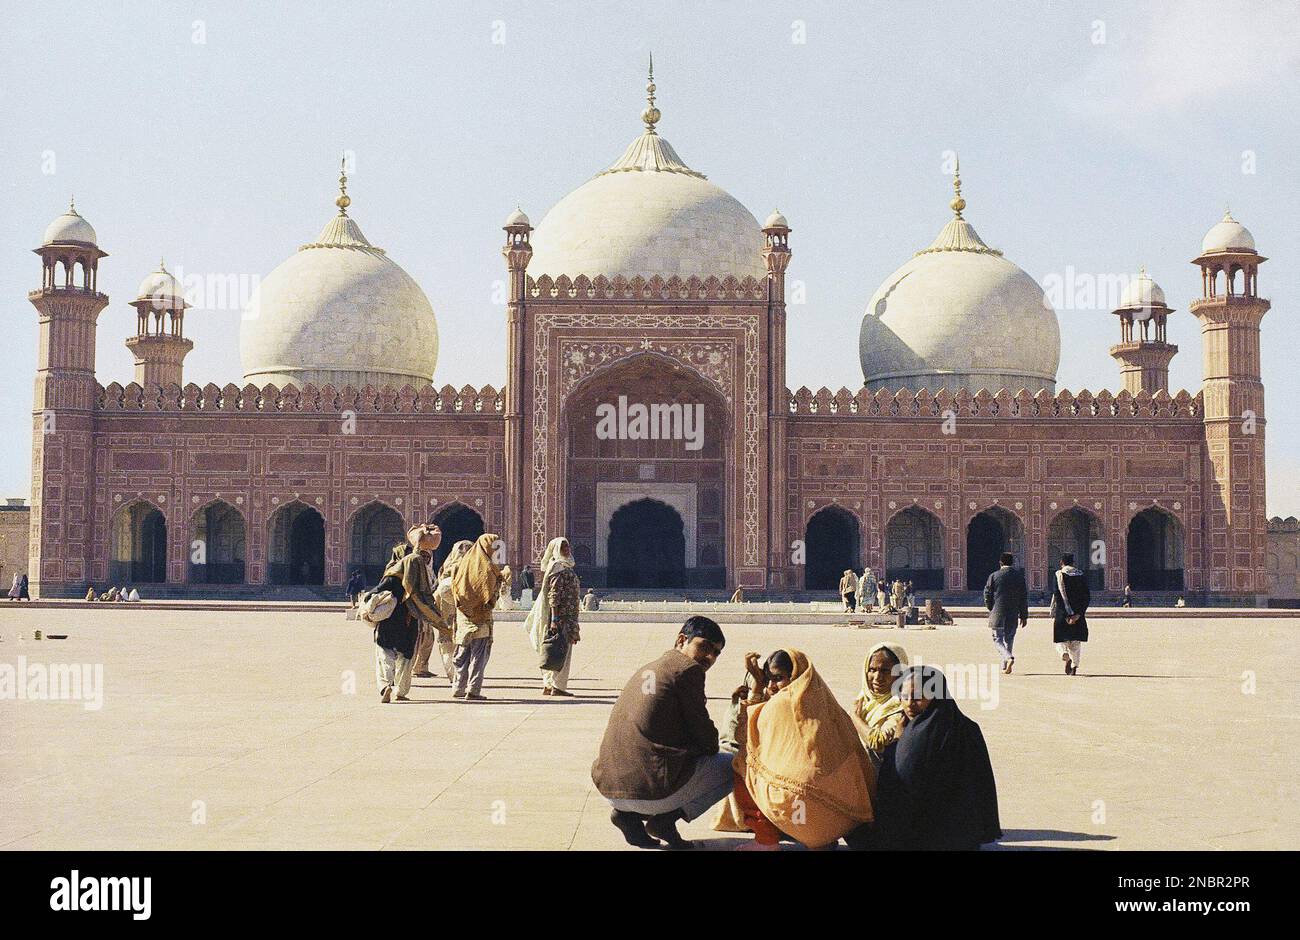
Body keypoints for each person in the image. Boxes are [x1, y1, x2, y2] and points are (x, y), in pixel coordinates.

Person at [592, 616, 731, 850]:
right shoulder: (688, 670)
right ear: (681, 640)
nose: (710, 657)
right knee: (734, 766)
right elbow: (707, 739)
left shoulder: (649, 668)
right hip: (649, 791)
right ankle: (665, 821)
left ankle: (627, 817)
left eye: (716, 653)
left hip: (609, 787)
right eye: (704, 646)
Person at [848, 665, 1001, 851]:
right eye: (904, 697)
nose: (909, 704)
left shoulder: (919, 735)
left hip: (923, 837)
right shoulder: (967, 726)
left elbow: (897, 788)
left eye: (918, 697)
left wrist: (896, 743)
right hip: (965, 834)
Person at [743, 648, 876, 849]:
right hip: (843, 814)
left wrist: (756, 689)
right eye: (768, 679)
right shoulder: (827, 704)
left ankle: (766, 840)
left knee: (740, 763)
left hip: (799, 809)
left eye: (778, 678)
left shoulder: (779, 704)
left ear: (796, 675)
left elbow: (746, 734)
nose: (772, 686)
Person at [372, 525, 441, 703]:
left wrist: (367, 601)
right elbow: (428, 598)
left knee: (384, 653)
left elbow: (378, 590)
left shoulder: (394, 573)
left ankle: (386, 685)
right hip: (410, 621)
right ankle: (401, 691)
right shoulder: (421, 577)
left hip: (388, 620)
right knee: (406, 656)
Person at [523, 537, 581, 697]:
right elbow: (554, 596)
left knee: (553, 649)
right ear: (555, 550)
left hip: (566, 616)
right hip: (562, 618)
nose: (566, 549)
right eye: (563, 547)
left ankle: (549, 685)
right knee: (561, 651)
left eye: (567, 546)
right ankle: (558, 686)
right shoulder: (558, 568)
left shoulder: (563, 566)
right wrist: (555, 619)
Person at [450, 533, 504, 700]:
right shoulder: (489, 568)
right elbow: (490, 598)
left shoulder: (462, 564)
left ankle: (458, 688)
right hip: (480, 618)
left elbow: (453, 587)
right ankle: (473, 690)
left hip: (463, 617)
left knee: (462, 654)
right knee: (478, 655)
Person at [420, 539, 472, 682]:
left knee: (446, 646)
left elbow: (437, 590)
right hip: (466, 616)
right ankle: (462, 678)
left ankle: (454, 678)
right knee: (465, 646)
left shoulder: (447, 568)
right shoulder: (473, 569)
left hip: (446, 615)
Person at [850, 642, 910, 764]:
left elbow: (879, 742)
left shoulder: (902, 705)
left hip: (880, 778)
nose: (877, 677)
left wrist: (855, 719)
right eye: (872, 670)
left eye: (885, 671)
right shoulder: (864, 698)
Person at [984, 552, 1028, 674]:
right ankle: (1005, 664)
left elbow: (987, 594)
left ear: (1000, 562)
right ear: (1013, 563)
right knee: (1009, 638)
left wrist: (990, 607)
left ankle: (1008, 658)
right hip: (1013, 612)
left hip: (998, 612)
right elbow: (1023, 597)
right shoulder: (1019, 577)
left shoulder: (994, 576)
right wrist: (1024, 615)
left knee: (997, 639)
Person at [1051, 553, 1090, 676]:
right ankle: (1074, 665)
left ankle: (1064, 654)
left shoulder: (1058, 575)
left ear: (1061, 562)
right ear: (1073, 563)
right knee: (1076, 642)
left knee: (1060, 639)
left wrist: (1066, 615)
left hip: (1063, 613)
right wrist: (1078, 614)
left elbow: (1057, 596)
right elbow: (1087, 597)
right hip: (1078, 613)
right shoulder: (1081, 575)